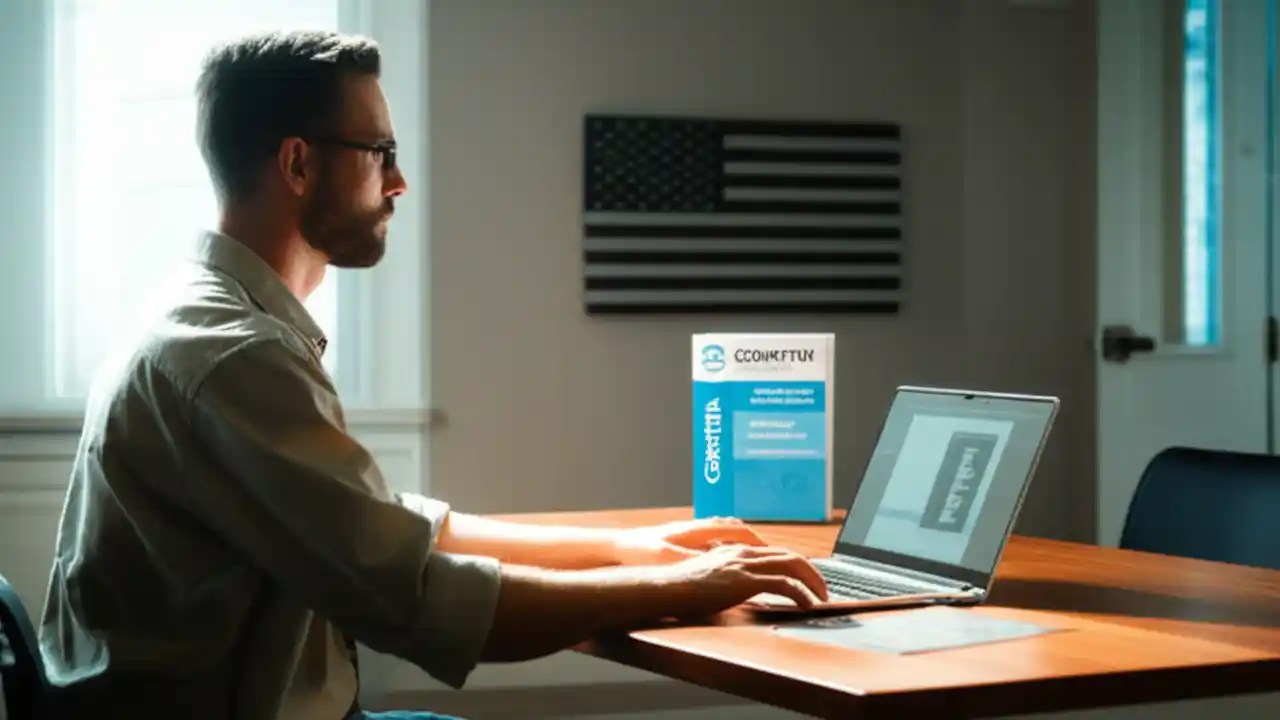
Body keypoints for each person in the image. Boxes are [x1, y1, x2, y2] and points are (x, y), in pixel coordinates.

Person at [37, 29, 828, 720]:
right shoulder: (236, 354)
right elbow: (419, 600)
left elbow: (384, 528)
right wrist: (689, 584)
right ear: (298, 163)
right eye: (379, 152)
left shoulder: (207, 316)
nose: (399, 182)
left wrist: (630, 549)